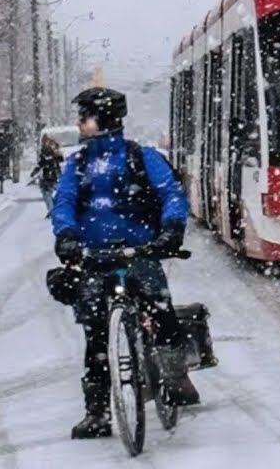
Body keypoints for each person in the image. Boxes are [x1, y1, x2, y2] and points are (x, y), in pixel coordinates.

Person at [52, 87, 199, 440]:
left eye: (84, 117)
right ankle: (98, 412)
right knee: (95, 336)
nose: (79, 123)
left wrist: (171, 229)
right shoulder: (77, 163)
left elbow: (170, 194)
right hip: (95, 257)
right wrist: (66, 235)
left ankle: (175, 377)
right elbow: (64, 202)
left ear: (102, 120)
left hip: (141, 251)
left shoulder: (141, 157)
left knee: (160, 314)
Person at [31, 135, 63, 216]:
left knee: (47, 193)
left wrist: (38, 168)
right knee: (50, 192)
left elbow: (44, 162)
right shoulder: (52, 151)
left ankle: (52, 210)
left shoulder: (48, 151)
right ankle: (53, 209)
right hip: (50, 174)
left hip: (50, 174)